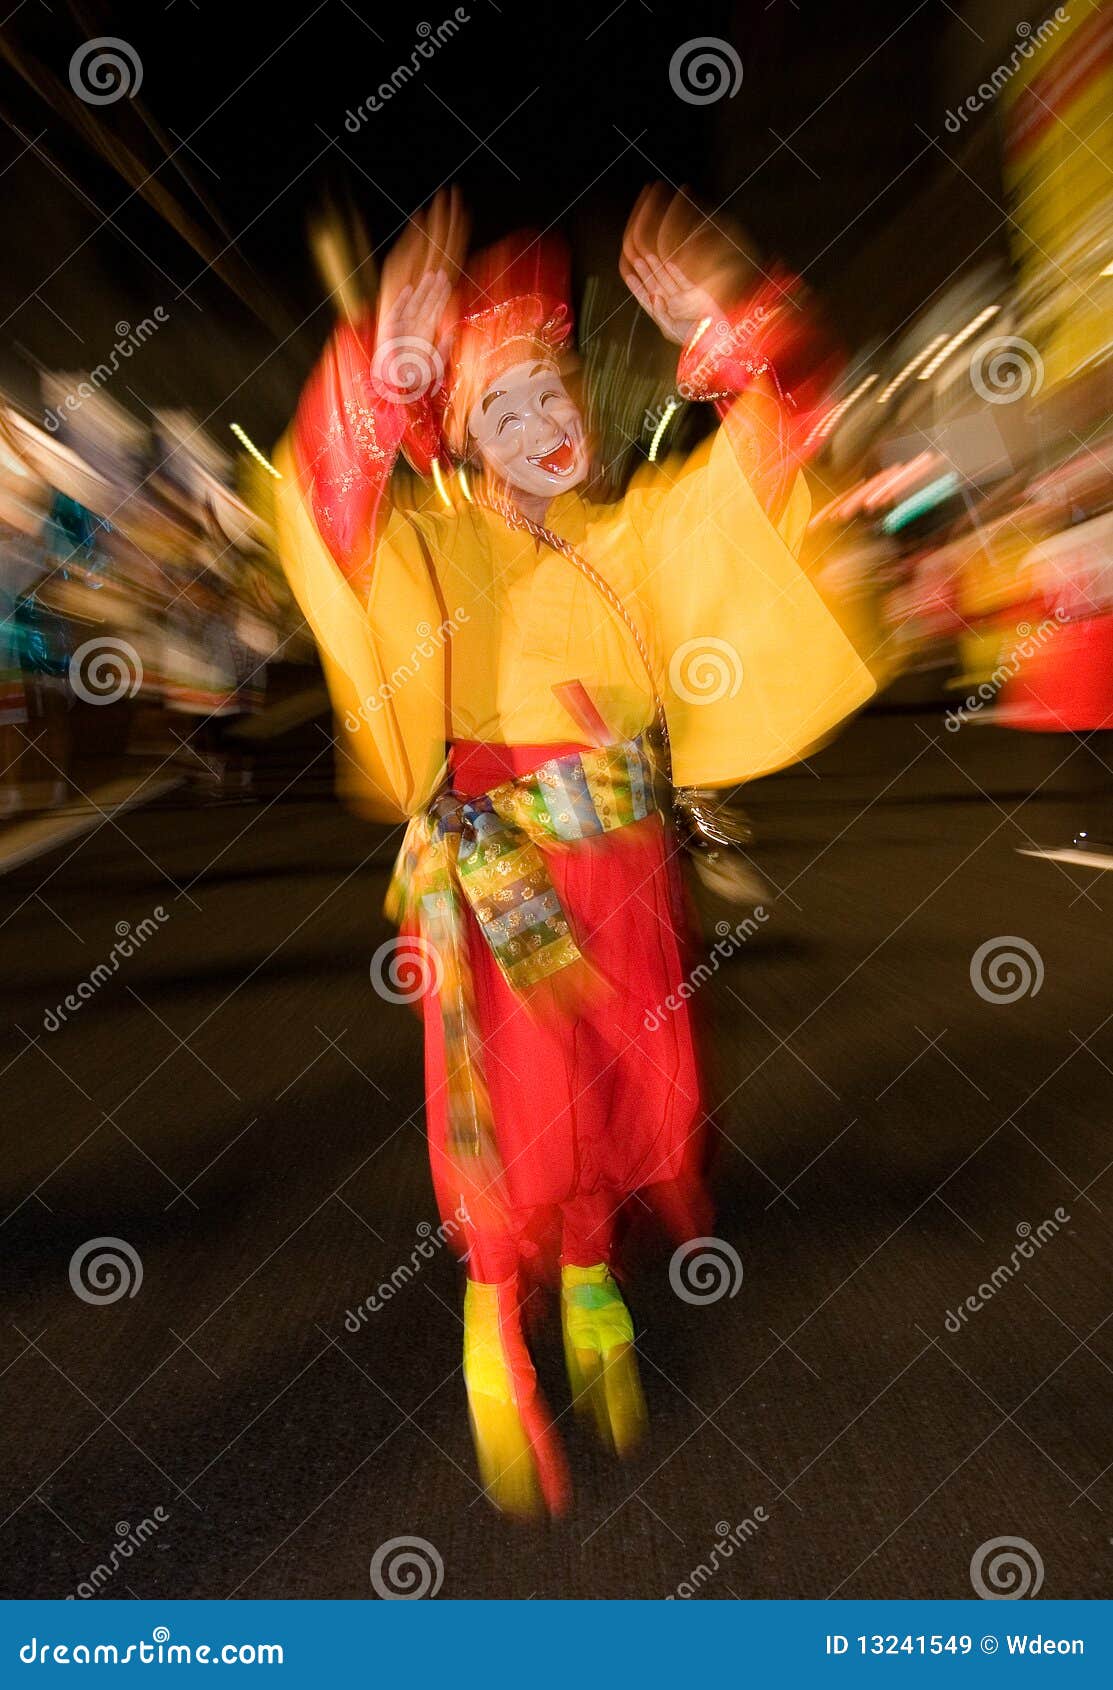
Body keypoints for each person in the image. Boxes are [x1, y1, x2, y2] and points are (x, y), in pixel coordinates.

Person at [275, 187, 874, 1516]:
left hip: (624, 876)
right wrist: (384, 385)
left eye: (548, 396)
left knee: (622, 1086)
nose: (540, 426)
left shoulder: (636, 533)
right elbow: (330, 515)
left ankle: (592, 1269)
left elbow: (780, 460)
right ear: (467, 443)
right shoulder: (432, 541)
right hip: (507, 881)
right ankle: (494, 1315)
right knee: (521, 1123)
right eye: (500, 411)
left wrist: (737, 336)